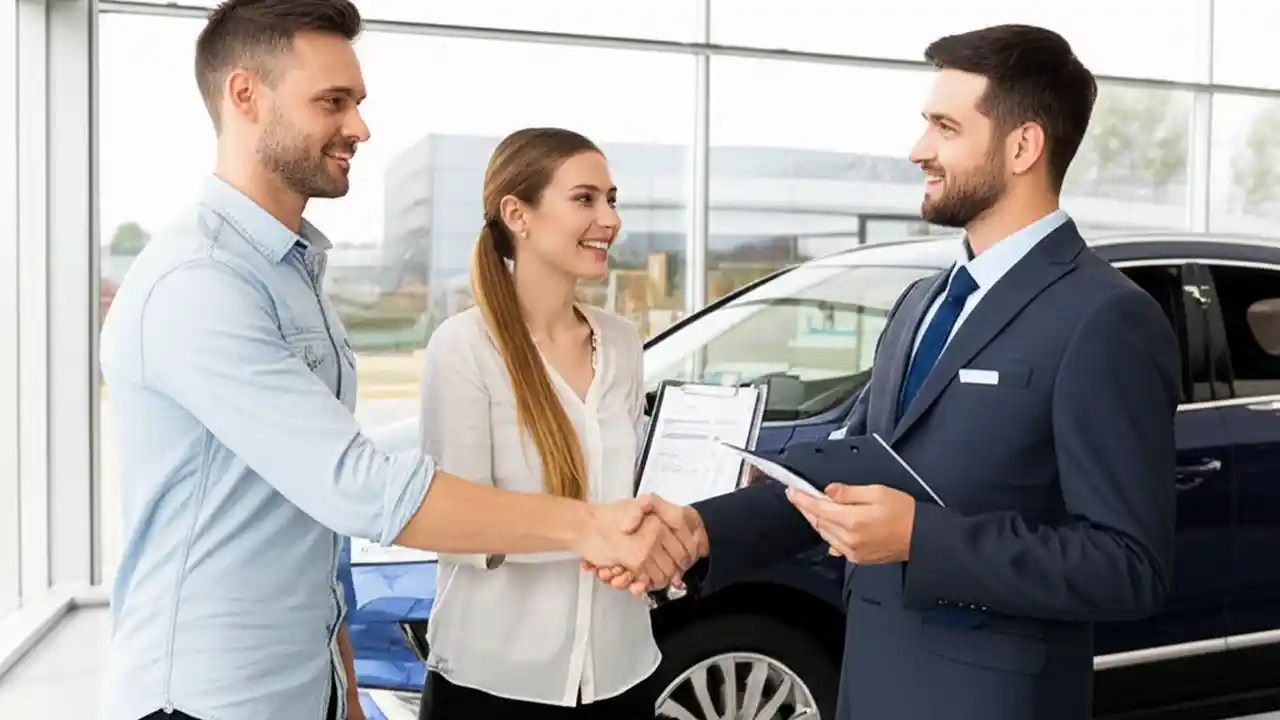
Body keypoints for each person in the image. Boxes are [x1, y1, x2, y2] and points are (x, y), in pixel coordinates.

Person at [96, 3, 694, 720]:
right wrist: (588, 526)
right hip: (206, 700)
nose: (360, 127)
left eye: (357, 102)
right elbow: (359, 487)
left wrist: (341, 680)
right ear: (245, 95)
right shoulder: (197, 284)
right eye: (332, 101)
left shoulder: (291, 273)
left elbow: (305, 519)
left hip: (302, 686)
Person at [594, 24, 1180, 720]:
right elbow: (845, 474)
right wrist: (699, 530)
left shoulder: (1105, 318)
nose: (918, 150)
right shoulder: (922, 302)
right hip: (870, 682)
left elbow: (1128, 568)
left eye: (945, 127)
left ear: (1023, 146)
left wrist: (920, 539)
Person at [413, 128, 676, 719]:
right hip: (496, 684)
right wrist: (593, 534)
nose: (609, 218)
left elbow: (625, 494)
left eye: (612, 199)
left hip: (621, 671)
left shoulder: (622, 344)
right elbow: (454, 524)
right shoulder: (464, 348)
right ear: (518, 214)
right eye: (584, 199)